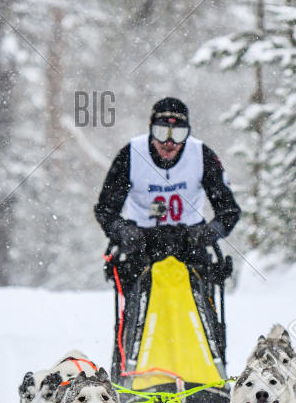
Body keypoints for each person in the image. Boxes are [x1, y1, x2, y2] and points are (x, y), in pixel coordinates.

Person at [95, 97, 240, 284]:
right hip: (142, 246)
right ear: (150, 128)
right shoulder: (130, 155)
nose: (169, 142)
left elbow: (229, 211)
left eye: (178, 134)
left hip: (190, 245)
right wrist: (123, 231)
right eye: (161, 132)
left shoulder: (202, 156)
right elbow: (105, 210)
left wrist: (207, 233)